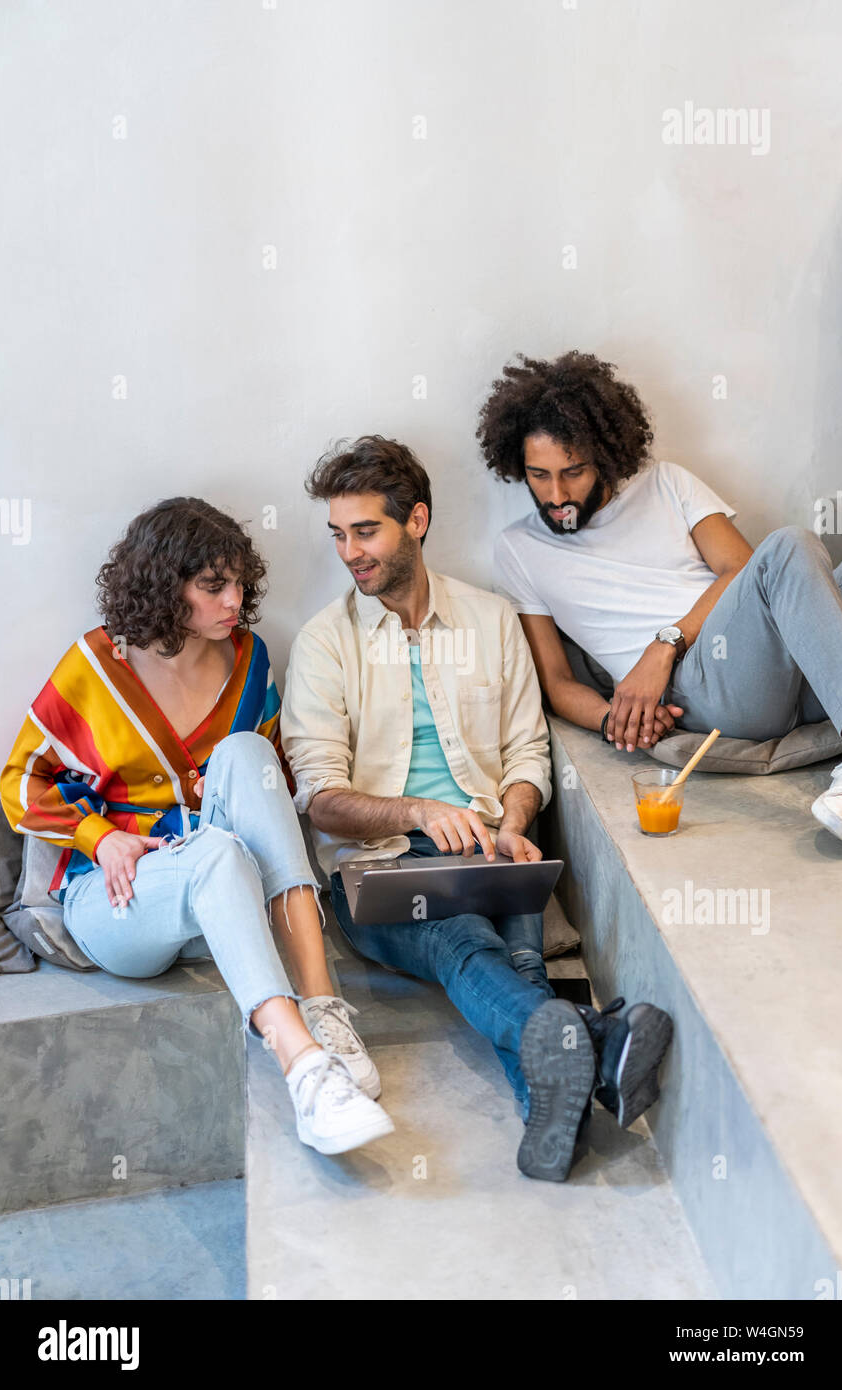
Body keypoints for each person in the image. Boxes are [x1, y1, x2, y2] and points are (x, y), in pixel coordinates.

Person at [279, 435, 673, 1182]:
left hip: (493, 851)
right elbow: (322, 800)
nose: (349, 552)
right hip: (380, 874)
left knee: (517, 951)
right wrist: (420, 813)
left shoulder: (491, 621)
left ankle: (551, 1123)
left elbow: (528, 754)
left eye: (367, 530)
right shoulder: (326, 645)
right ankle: (602, 1039)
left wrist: (514, 825)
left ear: (417, 520)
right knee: (464, 936)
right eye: (338, 534)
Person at [0, 496, 393, 1156]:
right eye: (214, 586)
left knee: (248, 753)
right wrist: (102, 835)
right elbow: (19, 783)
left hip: (224, 896)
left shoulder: (249, 658)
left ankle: (324, 1007)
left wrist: (230, 791)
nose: (234, 599)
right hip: (117, 903)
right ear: (162, 585)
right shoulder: (96, 667)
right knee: (215, 851)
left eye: (239, 582)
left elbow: (275, 791)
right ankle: (304, 1069)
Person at [479, 350, 842, 844]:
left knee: (792, 549)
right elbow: (557, 680)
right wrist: (617, 717)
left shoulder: (667, 483)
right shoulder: (519, 548)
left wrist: (665, 644)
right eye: (538, 474)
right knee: (789, 543)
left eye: (573, 472)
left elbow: (738, 568)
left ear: (606, 458)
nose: (555, 495)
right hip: (708, 689)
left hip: (786, 667)